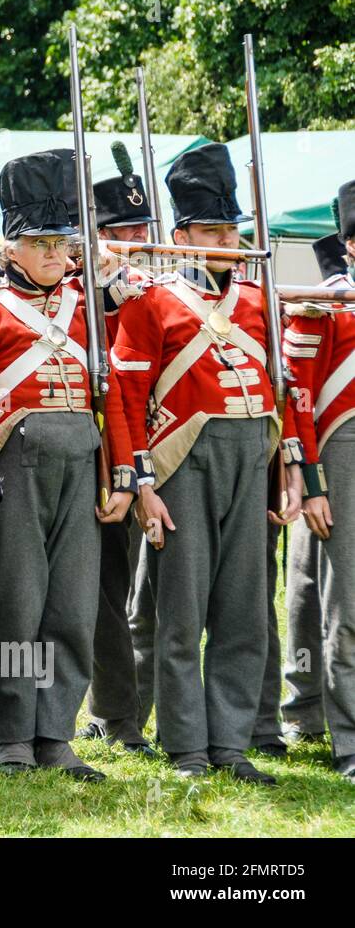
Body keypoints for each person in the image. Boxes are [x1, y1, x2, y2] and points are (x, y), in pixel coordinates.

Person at [112, 143, 303, 784]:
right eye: (216, 230)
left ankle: (231, 742)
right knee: (182, 611)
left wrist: (291, 470)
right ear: (182, 234)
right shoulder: (151, 301)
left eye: (234, 228)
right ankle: (186, 743)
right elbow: (127, 398)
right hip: (182, 462)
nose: (230, 240)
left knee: (245, 608)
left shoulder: (258, 299)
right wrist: (141, 484)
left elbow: (287, 390)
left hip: (252, 459)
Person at [0, 150, 135, 780]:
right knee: (18, 600)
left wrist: (121, 473)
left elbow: (111, 391)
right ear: (13, 246)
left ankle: (55, 732)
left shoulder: (84, 306)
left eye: (59, 242)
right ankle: (13, 733)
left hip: (81, 460)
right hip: (18, 461)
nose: (51, 254)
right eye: (37, 243)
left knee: (71, 604)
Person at [76, 146, 160, 758]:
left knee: (134, 592)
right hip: (90, 450)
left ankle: (121, 712)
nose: (134, 240)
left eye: (141, 228)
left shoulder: (172, 284)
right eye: (122, 230)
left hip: (158, 452)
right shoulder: (79, 290)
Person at [280, 178, 355, 782]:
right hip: (345, 446)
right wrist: (310, 477)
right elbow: (298, 395)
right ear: (349, 246)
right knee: (347, 603)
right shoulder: (322, 299)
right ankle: (348, 737)